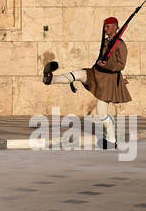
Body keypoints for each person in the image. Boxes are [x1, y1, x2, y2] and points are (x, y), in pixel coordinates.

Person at [43, 16, 131, 149]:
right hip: (97, 73)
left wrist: (106, 65)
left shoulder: (120, 44)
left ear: (114, 27)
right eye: (104, 26)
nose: (105, 29)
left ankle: (112, 140)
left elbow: (121, 64)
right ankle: (51, 79)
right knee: (78, 74)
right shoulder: (107, 42)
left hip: (108, 81)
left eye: (107, 26)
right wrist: (100, 64)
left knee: (102, 113)